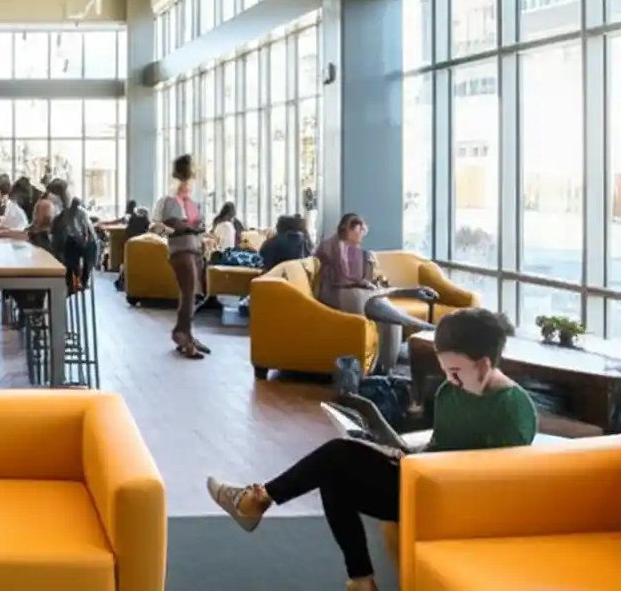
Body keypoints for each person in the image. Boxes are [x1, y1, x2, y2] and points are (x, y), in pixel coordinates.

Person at [207, 308, 537, 591]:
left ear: (482, 365)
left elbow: (503, 483)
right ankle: (361, 580)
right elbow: (443, 445)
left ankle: (258, 499)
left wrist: (430, 469)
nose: (451, 380)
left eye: (456, 371)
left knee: (337, 456)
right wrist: (405, 454)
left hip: (460, 505)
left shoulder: (512, 408)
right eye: (445, 371)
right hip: (425, 485)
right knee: (335, 476)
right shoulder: (450, 395)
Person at [316, 213, 437, 371]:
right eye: (360, 231)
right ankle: (422, 326)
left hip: (353, 292)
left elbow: (357, 277)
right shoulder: (332, 245)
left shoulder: (352, 249)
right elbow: (341, 278)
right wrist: (363, 282)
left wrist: (366, 277)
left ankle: (387, 367)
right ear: (348, 227)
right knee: (374, 300)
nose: (361, 237)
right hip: (335, 294)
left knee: (389, 317)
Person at [152, 155, 210, 358]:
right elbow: (174, 225)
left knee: (190, 294)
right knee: (187, 294)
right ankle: (182, 334)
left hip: (192, 249)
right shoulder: (172, 198)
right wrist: (191, 228)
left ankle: (186, 332)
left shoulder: (188, 198)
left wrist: (195, 228)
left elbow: (195, 223)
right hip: (182, 250)